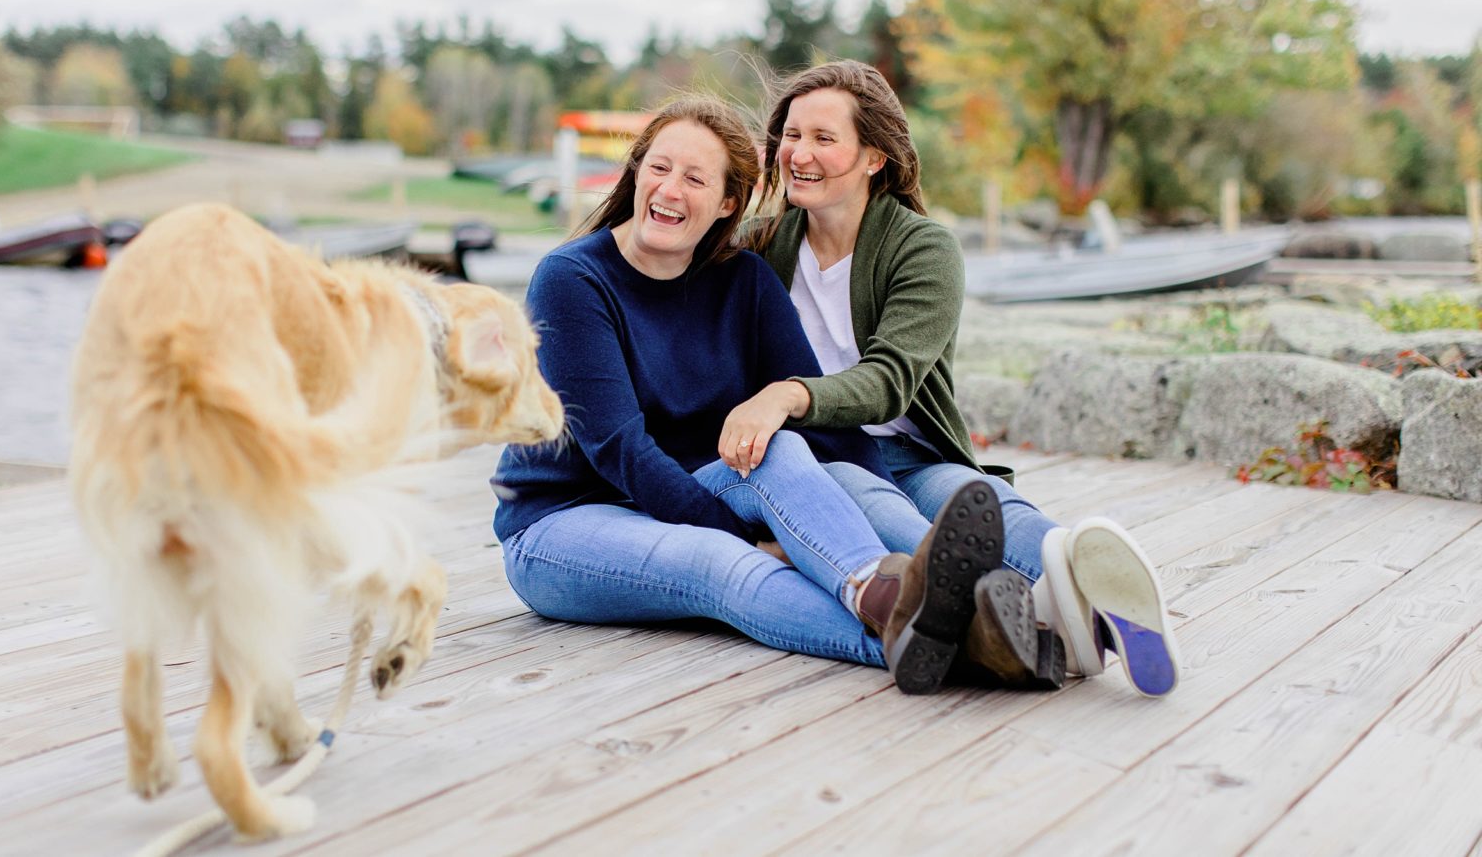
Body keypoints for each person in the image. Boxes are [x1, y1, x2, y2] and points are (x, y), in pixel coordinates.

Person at [492, 96, 1061, 695]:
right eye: (658, 168)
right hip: (566, 523)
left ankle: (958, 598)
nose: (670, 190)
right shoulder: (572, 280)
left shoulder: (744, 281)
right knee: (726, 564)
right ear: (635, 174)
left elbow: (830, 439)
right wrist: (756, 539)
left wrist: (868, 502)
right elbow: (618, 449)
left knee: (782, 450)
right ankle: (967, 643)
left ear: (728, 203)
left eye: (695, 178)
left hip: (685, 496)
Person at [726, 61, 1180, 698]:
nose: (798, 154)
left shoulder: (923, 248)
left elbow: (888, 382)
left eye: (823, 139)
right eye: (791, 136)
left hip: (913, 452)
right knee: (912, 532)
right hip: (824, 460)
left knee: (983, 506)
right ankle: (1052, 619)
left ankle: (1084, 578)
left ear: (874, 156)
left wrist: (786, 394)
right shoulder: (761, 245)